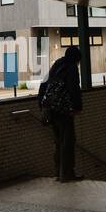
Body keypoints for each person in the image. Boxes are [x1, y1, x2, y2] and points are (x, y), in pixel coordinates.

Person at [38, 45, 83, 182]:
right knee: (68, 142)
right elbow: (73, 88)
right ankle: (67, 174)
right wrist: (77, 107)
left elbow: (44, 84)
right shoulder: (71, 67)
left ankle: (58, 173)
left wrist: (42, 105)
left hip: (51, 109)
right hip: (64, 111)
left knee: (58, 142)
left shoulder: (57, 64)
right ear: (76, 58)